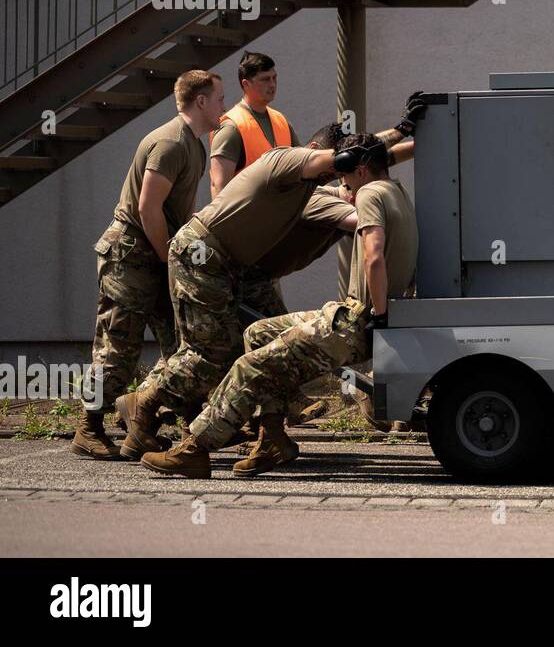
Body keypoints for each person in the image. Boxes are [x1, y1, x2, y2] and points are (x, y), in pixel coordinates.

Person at [117, 99, 427, 460]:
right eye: (334, 167)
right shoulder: (287, 162)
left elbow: (366, 163)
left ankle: (269, 435)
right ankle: (148, 407)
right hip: (202, 255)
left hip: (242, 269)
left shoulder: (342, 188)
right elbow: (358, 166)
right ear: (316, 153)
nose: (337, 177)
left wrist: (416, 140)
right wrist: (396, 138)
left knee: (260, 338)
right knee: (213, 354)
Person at [71, 70, 225, 461]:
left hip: (154, 254)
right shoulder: (170, 143)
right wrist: (167, 258)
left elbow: (174, 210)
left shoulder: (194, 145)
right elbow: (147, 207)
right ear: (201, 101)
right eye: (219, 99)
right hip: (131, 255)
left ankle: (162, 427)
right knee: (117, 346)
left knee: (180, 342)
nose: (224, 107)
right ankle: (87, 428)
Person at [208, 51, 298, 199]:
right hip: (247, 219)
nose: (272, 84)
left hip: (280, 216)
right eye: (265, 79)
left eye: (274, 78)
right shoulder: (231, 127)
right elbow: (220, 188)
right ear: (246, 84)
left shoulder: (281, 120)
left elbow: (302, 165)